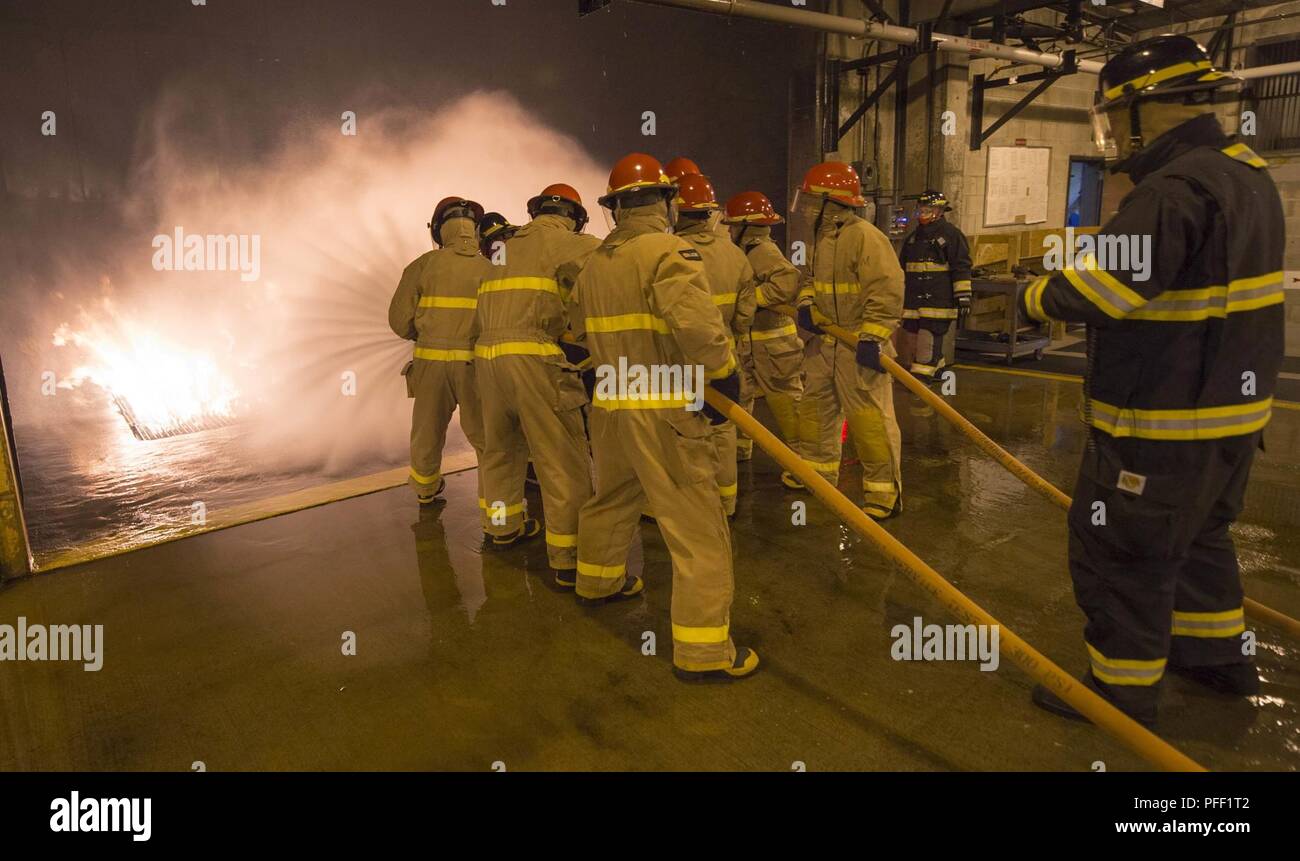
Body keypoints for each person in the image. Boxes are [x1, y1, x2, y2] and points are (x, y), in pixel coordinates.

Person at [1021, 35, 1283, 725]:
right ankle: (1215, 657)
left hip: (1163, 425)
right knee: (1199, 541)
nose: (1112, 136)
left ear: (1149, 108)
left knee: (1123, 552)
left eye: (1114, 116)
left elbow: (1104, 290)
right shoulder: (1246, 172)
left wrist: (1031, 296)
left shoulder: (1174, 189)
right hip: (1232, 421)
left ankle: (1120, 691)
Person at [569, 152, 757, 681]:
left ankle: (598, 582)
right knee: (696, 527)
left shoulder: (595, 262)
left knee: (612, 497)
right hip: (663, 407)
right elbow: (695, 325)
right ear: (666, 201)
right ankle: (704, 652)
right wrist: (721, 373)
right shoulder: (671, 252)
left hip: (611, 405)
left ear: (616, 208)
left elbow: (575, 331)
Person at [474, 184, 600, 581]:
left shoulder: (503, 249)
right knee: (560, 457)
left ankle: (503, 526)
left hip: (488, 361)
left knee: (500, 449)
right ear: (575, 217)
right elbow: (605, 286)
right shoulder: (570, 244)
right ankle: (570, 558)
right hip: (535, 357)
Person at [792, 161, 905, 520]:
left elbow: (886, 291)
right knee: (816, 411)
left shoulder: (866, 238)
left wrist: (873, 336)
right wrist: (808, 302)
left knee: (868, 420)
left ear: (833, 201)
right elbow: (810, 279)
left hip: (859, 343)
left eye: (813, 200)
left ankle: (882, 492)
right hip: (826, 341)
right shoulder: (823, 236)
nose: (808, 207)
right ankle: (817, 473)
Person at [388, 197, 491, 504]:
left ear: (438, 230)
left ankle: (425, 489)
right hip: (475, 366)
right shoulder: (491, 269)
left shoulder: (422, 266)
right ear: (474, 228)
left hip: (431, 365)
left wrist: (424, 333)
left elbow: (398, 321)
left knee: (426, 434)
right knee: (487, 441)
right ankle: (496, 514)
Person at [673, 174, 757, 516]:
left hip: (682, 359)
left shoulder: (670, 253)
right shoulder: (735, 255)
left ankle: (691, 503)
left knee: (685, 430)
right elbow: (745, 315)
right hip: (725, 355)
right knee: (723, 429)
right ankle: (725, 502)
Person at [723, 191, 806, 486]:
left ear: (746, 226)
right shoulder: (748, 250)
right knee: (742, 395)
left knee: (785, 401)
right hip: (755, 342)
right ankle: (741, 447)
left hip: (773, 343)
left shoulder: (760, 250)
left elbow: (788, 280)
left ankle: (803, 462)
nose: (730, 231)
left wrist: (750, 299)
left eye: (733, 226)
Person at [898, 190, 972, 382]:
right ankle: (936, 364)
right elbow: (901, 270)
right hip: (913, 304)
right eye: (921, 209)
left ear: (940, 211)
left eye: (928, 209)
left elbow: (961, 266)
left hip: (939, 302)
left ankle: (921, 377)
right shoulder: (912, 239)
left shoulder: (951, 236)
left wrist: (963, 295)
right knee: (913, 340)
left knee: (927, 340)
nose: (923, 213)